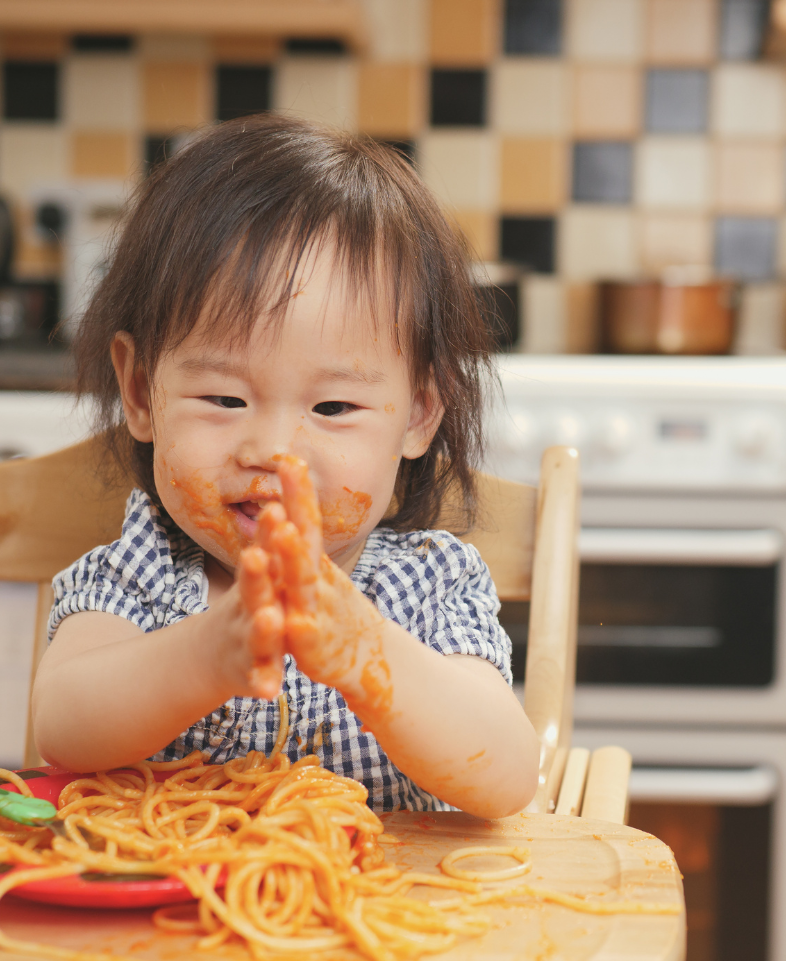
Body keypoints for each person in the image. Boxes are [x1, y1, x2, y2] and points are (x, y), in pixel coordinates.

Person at [33, 114, 538, 841]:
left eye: (333, 406)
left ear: (418, 413)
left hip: (383, 931)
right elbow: (61, 725)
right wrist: (213, 651)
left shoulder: (430, 585)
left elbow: (509, 775)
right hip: (166, 934)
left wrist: (366, 653)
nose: (273, 450)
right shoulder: (137, 574)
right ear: (142, 392)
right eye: (224, 400)